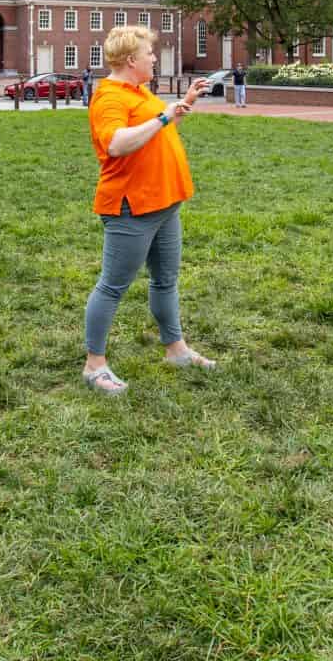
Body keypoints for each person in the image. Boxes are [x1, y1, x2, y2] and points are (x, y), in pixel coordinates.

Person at [82, 25, 217, 395]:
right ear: (131, 60)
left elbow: (156, 129)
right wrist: (162, 118)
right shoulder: (109, 96)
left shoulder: (138, 91)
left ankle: (176, 350)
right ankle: (94, 365)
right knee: (112, 286)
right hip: (131, 206)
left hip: (164, 201)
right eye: (149, 54)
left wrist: (181, 105)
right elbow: (116, 144)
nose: (154, 58)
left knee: (165, 280)